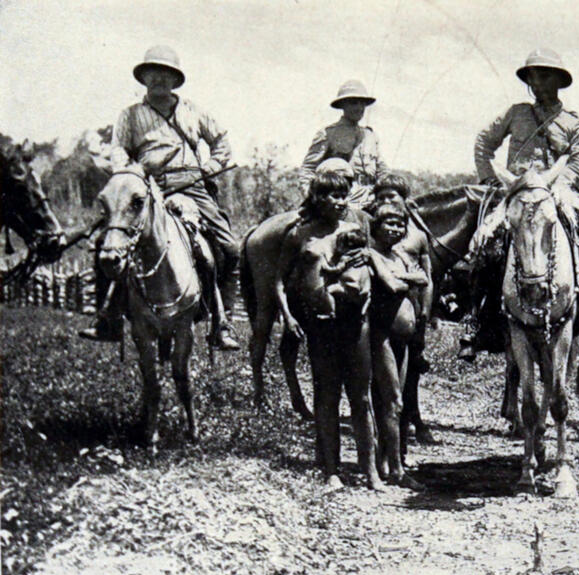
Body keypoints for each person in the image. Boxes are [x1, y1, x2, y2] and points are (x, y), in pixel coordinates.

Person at [458, 48, 579, 361]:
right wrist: (491, 180)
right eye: (532, 76)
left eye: (544, 75)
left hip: (557, 189)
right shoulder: (515, 113)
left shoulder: (573, 123)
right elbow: (483, 142)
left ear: (558, 80)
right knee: (485, 240)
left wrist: (559, 183)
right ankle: (477, 318)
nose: (537, 82)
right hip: (517, 190)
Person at [80, 45, 239, 349]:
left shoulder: (193, 111)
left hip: (192, 183)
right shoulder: (129, 115)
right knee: (105, 243)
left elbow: (221, 143)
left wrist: (209, 167)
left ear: (174, 78)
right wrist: (128, 174)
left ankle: (223, 322)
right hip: (146, 183)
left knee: (229, 248)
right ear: (144, 77)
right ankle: (107, 320)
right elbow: (118, 150)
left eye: (165, 73)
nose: (159, 79)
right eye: (153, 73)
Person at [370, 173, 437, 445]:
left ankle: (410, 421)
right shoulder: (372, 231)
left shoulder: (417, 236)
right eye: (381, 197)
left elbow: (427, 278)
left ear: (404, 199)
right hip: (384, 313)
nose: (387, 201)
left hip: (411, 311)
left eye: (392, 196)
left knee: (411, 370)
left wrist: (425, 313)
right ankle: (386, 440)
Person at [367, 202, 427, 489]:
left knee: (394, 401)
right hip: (381, 336)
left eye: (399, 224)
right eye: (388, 223)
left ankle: (386, 462)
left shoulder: (398, 256)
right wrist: (406, 278)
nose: (395, 229)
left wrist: (400, 276)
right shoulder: (372, 254)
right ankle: (396, 469)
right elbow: (391, 287)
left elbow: (424, 278)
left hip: (402, 339)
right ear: (376, 227)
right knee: (392, 400)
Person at [275, 172, 367, 342]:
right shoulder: (299, 234)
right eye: (335, 197)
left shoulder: (353, 231)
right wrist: (288, 317)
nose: (341, 202)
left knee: (356, 367)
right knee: (322, 367)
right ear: (320, 198)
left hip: (352, 316)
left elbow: (366, 269)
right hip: (317, 317)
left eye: (344, 196)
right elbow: (280, 280)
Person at [300, 80, 385, 202]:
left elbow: (382, 169)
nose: (359, 108)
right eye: (353, 103)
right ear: (343, 105)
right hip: (342, 198)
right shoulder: (328, 133)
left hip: (371, 197)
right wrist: (312, 197)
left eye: (362, 103)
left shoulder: (370, 136)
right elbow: (308, 169)